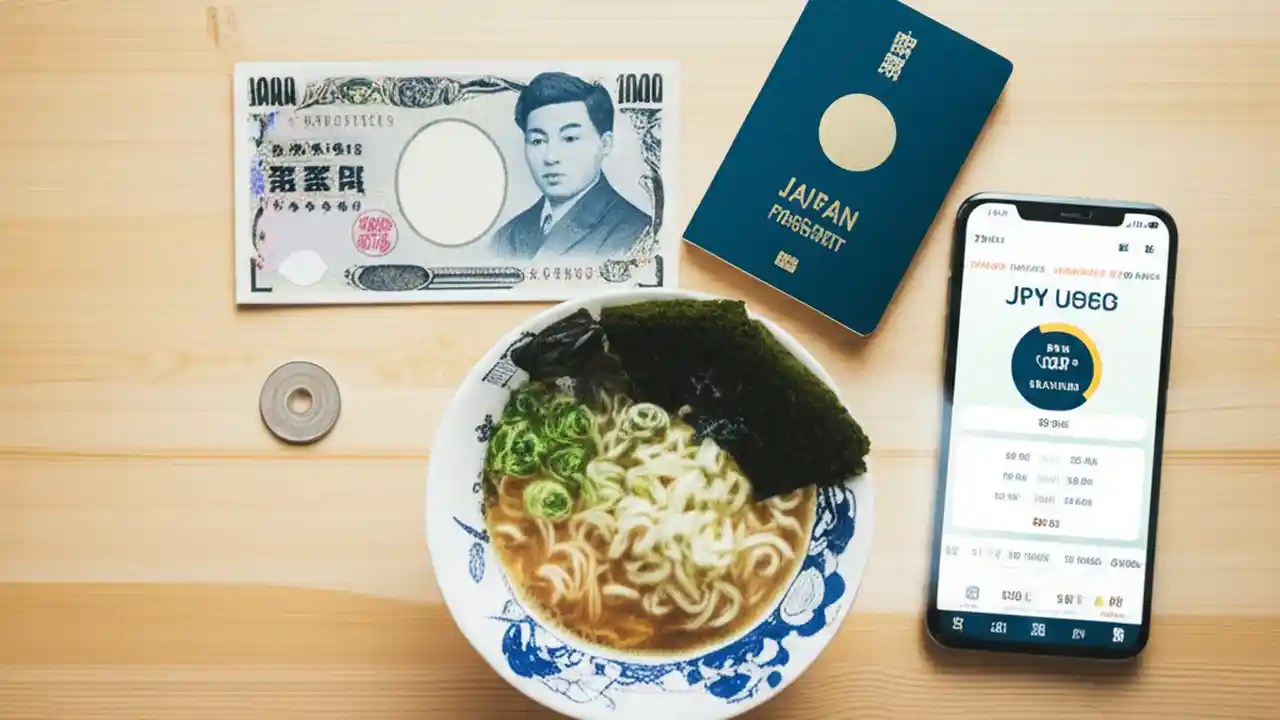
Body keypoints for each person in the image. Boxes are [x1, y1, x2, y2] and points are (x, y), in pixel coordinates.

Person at [491, 72, 651, 259]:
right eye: (537, 141)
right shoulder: (506, 237)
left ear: (605, 144)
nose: (550, 157)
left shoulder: (640, 234)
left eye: (569, 138)